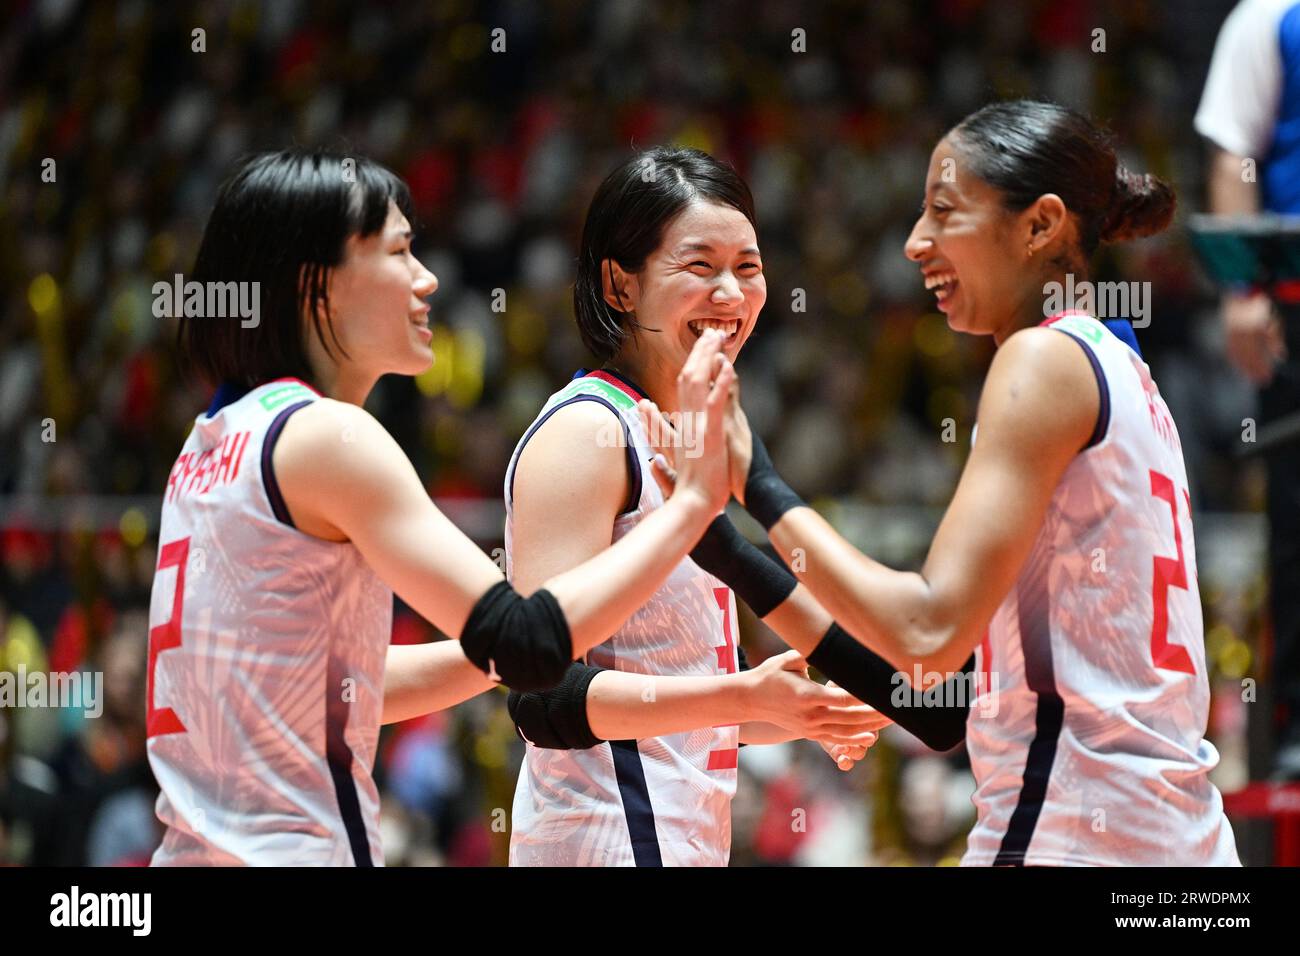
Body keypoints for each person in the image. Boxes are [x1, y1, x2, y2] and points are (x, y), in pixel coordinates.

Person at [147, 148, 740, 866]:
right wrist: (690, 507)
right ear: (317, 285)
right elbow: (527, 639)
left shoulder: (212, 442)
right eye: (400, 251)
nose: (427, 279)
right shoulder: (327, 438)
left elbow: (342, 687)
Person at [719, 101, 1241, 866]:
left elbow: (928, 634)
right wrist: (730, 553)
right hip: (1176, 840)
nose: (914, 241)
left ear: (1041, 225)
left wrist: (755, 481)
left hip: (1073, 830)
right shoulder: (1125, 374)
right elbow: (943, 694)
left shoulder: (1042, 361)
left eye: (943, 211)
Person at [504, 147, 889, 867]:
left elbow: (675, 701)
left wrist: (792, 713)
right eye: (700, 266)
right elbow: (542, 698)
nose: (731, 294)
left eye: (748, 267)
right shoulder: (585, 433)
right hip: (604, 842)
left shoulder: (688, 436)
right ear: (620, 285)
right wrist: (743, 696)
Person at [1195, 0, 1300, 780]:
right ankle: (1296, 725)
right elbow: (1234, 152)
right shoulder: (1269, 16)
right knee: (1297, 521)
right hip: (1296, 307)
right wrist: (1242, 290)